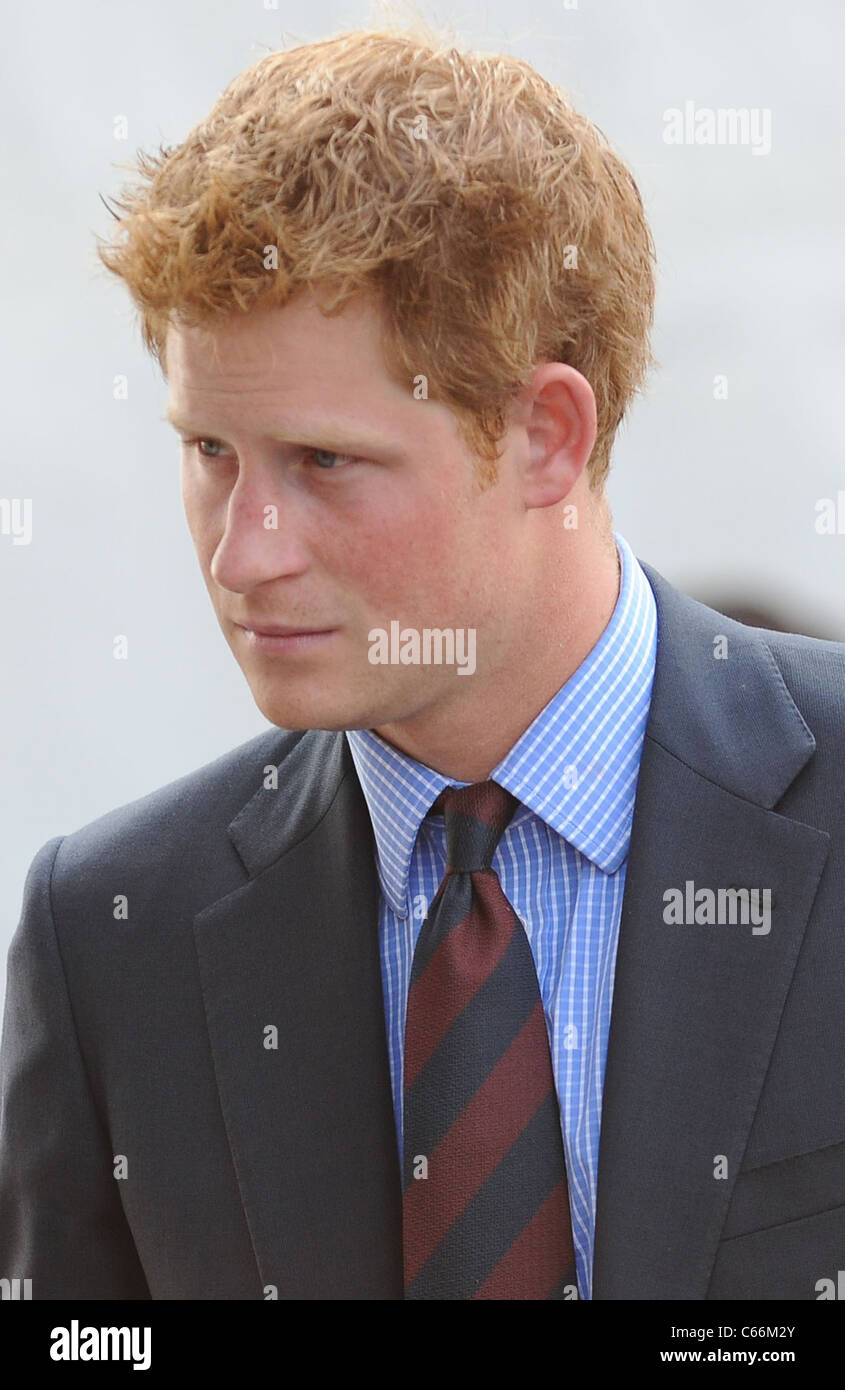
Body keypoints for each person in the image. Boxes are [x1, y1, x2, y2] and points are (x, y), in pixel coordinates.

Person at [1, 23, 844, 1302]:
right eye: (210, 452)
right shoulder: (112, 934)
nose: (242, 555)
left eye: (323, 462)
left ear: (545, 435)